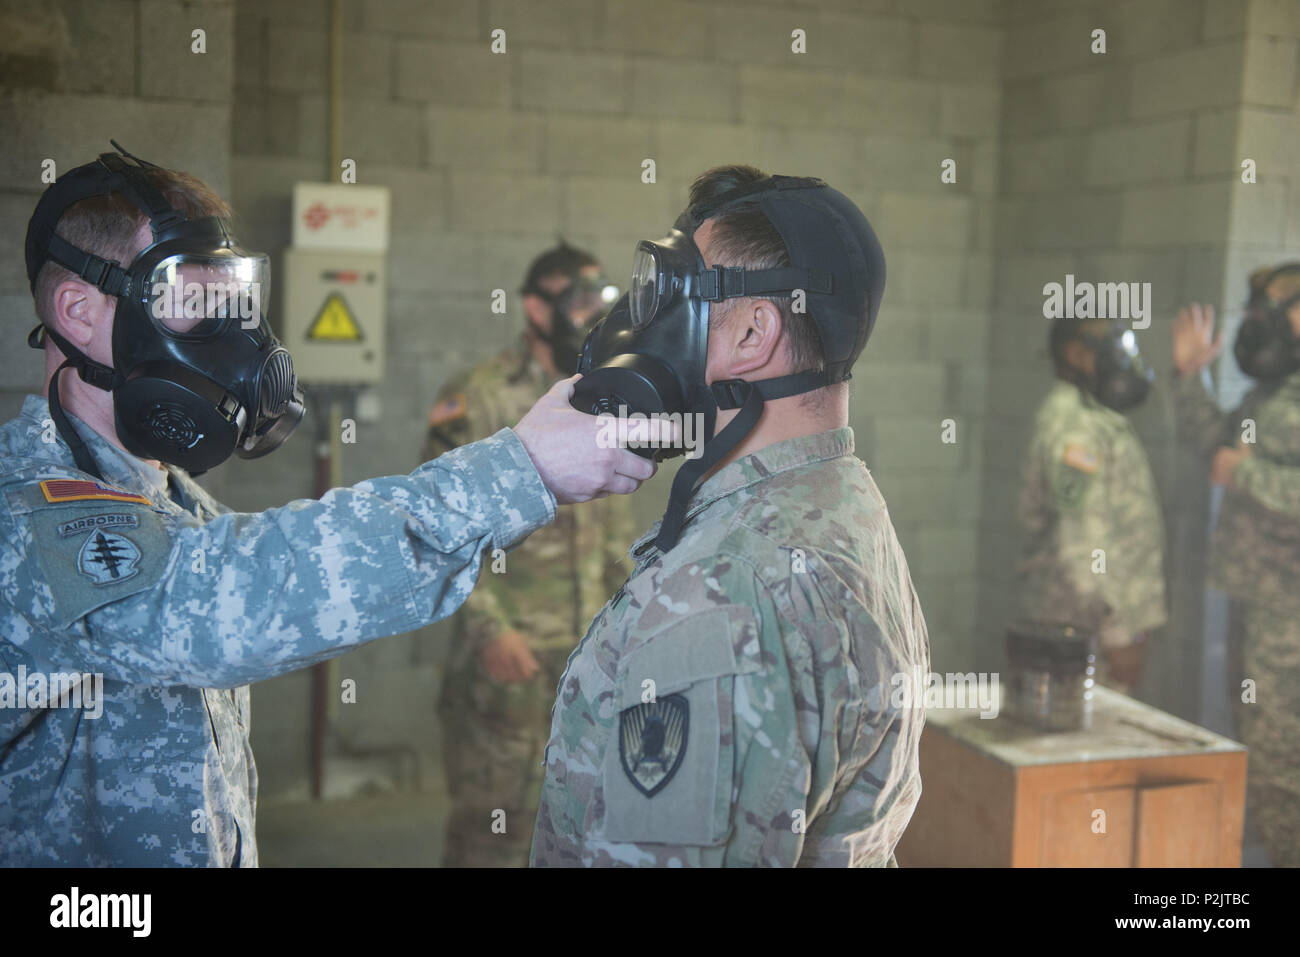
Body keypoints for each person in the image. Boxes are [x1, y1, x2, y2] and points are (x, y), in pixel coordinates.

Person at [0, 145, 659, 866]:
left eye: (233, 301)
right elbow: (216, 600)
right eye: (194, 303)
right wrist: (521, 466)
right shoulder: (26, 512)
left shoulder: (171, 497)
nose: (231, 335)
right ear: (77, 311)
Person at [529, 165, 930, 867]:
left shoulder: (720, 590)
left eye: (673, 293)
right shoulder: (847, 505)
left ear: (753, 333)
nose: (642, 320)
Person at [425, 243, 635, 867]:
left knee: (581, 828)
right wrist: (491, 629)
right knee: (493, 833)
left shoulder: (608, 397)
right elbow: (443, 529)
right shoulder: (479, 397)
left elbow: (616, 536)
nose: (589, 315)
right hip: (506, 666)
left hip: (589, 661)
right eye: (575, 301)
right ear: (534, 308)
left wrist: (632, 625)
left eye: (599, 301)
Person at [1174, 267, 1300, 867]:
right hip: (1261, 605)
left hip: (1291, 616)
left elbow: (1234, 465)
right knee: (1267, 759)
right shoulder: (1271, 395)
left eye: (1272, 309)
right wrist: (1189, 375)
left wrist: (1245, 474)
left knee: (1284, 774)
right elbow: (1215, 445)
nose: (1258, 321)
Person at [1016, 317, 1167, 694]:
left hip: (1092, 630)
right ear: (1077, 354)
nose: (1123, 357)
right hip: (1089, 636)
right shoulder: (1076, 427)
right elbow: (1083, 546)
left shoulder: (1091, 417)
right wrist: (1117, 636)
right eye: (1112, 345)